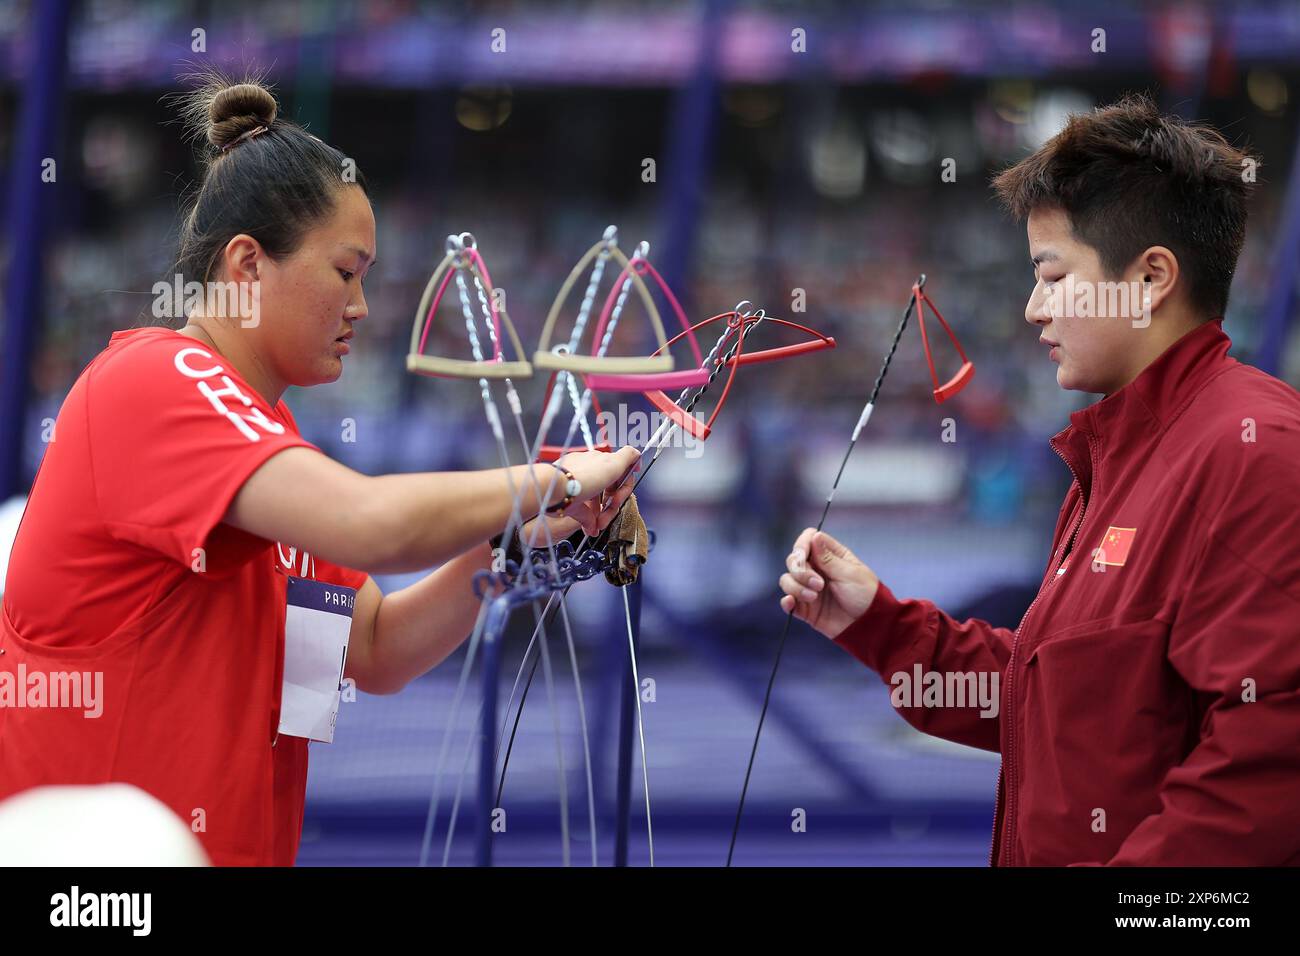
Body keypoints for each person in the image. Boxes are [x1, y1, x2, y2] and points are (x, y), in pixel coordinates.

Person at [0, 73, 639, 866]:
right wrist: (558, 479)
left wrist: (508, 548)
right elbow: (371, 525)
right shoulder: (153, 384)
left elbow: (371, 648)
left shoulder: (264, 437)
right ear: (247, 265)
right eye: (345, 272)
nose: (362, 306)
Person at [779, 95, 1300, 865]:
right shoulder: (1123, 456)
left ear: (1151, 277)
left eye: (1053, 277)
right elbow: (1051, 704)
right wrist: (879, 625)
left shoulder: (1253, 453)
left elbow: (1268, 771)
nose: (1031, 308)